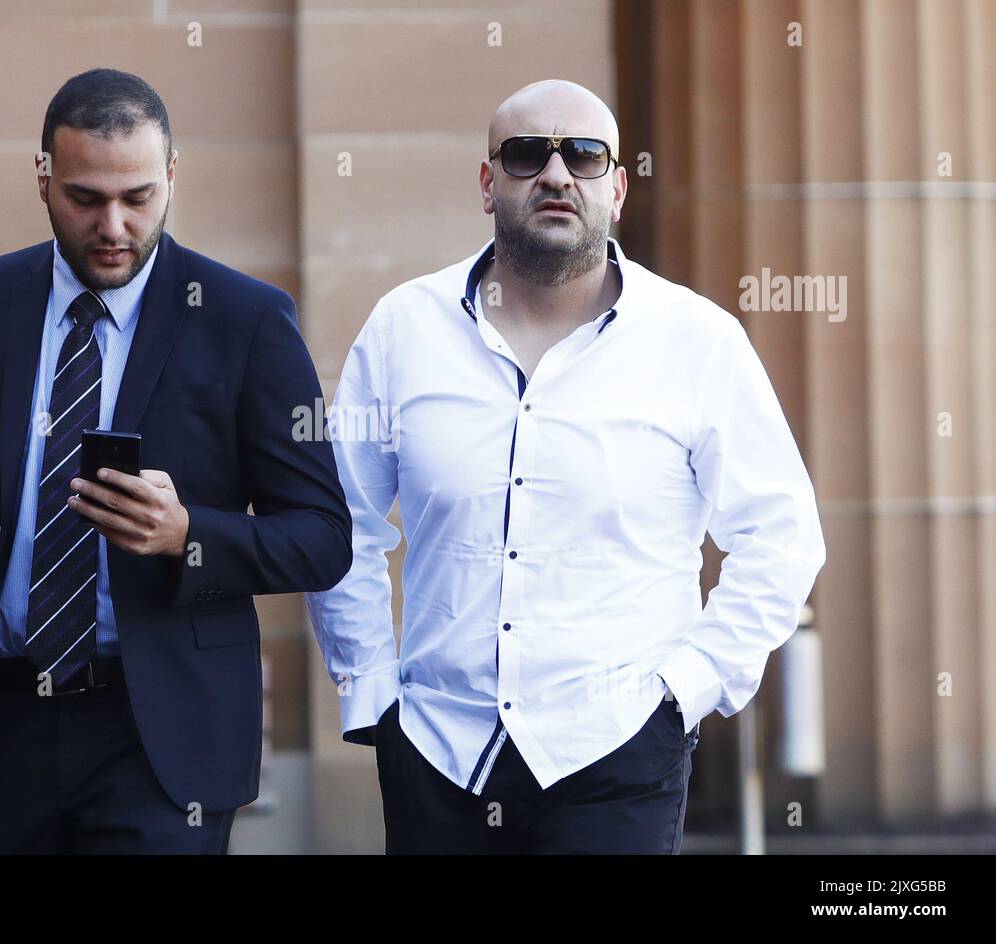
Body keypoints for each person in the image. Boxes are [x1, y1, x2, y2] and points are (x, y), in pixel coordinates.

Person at [306, 79, 826, 854]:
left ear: (616, 189)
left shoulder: (697, 341)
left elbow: (782, 537)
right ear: (489, 183)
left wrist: (687, 690)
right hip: (438, 752)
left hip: (618, 749)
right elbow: (338, 521)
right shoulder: (403, 329)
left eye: (583, 156)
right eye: (526, 154)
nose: (556, 174)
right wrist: (373, 688)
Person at [0, 68, 351, 853]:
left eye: (138, 197)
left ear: (172, 173)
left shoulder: (244, 319)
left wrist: (190, 534)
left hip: (163, 739)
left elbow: (322, 537)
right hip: (1, 726)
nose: (114, 225)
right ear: (42, 178)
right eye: (86, 198)